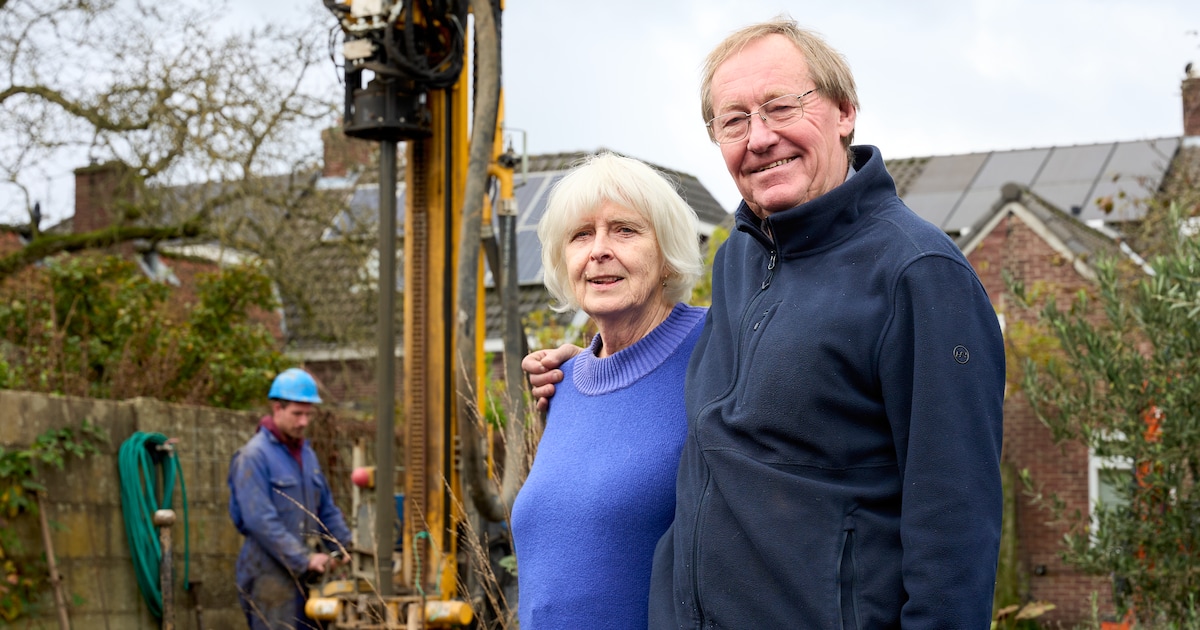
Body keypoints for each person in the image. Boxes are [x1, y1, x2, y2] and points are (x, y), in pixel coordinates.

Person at [523, 18, 1006, 629]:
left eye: (780, 107)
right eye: (734, 121)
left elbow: (955, 528)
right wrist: (588, 369)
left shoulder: (918, 274)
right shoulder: (740, 257)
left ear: (844, 111)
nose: (759, 137)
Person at [509, 152, 706, 630]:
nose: (598, 250)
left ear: (666, 254)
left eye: (624, 230)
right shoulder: (564, 387)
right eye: (581, 235)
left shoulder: (718, 350)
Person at [228, 367, 352, 629]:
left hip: (304, 577)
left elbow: (325, 507)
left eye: (308, 414)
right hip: (268, 576)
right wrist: (304, 558)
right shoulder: (253, 457)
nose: (304, 422)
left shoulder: (307, 454)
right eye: (297, 414)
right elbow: (259, 520)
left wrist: (344, 546)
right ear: (277, 409)